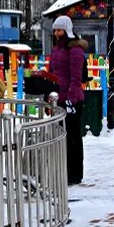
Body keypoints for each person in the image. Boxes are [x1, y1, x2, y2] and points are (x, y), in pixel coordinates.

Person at [48, 15, 86, 185]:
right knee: (60, 137)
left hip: (72, 100)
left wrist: (71, 99)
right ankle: (62, 171)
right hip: (58, 99)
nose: (57, 33)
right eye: (55, 30)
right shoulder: (56, 49)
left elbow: (76, 78)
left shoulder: (75, 50)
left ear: (67, 30)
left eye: (60, 30)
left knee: (73, 139)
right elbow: (52, 72)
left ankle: (74, 174)